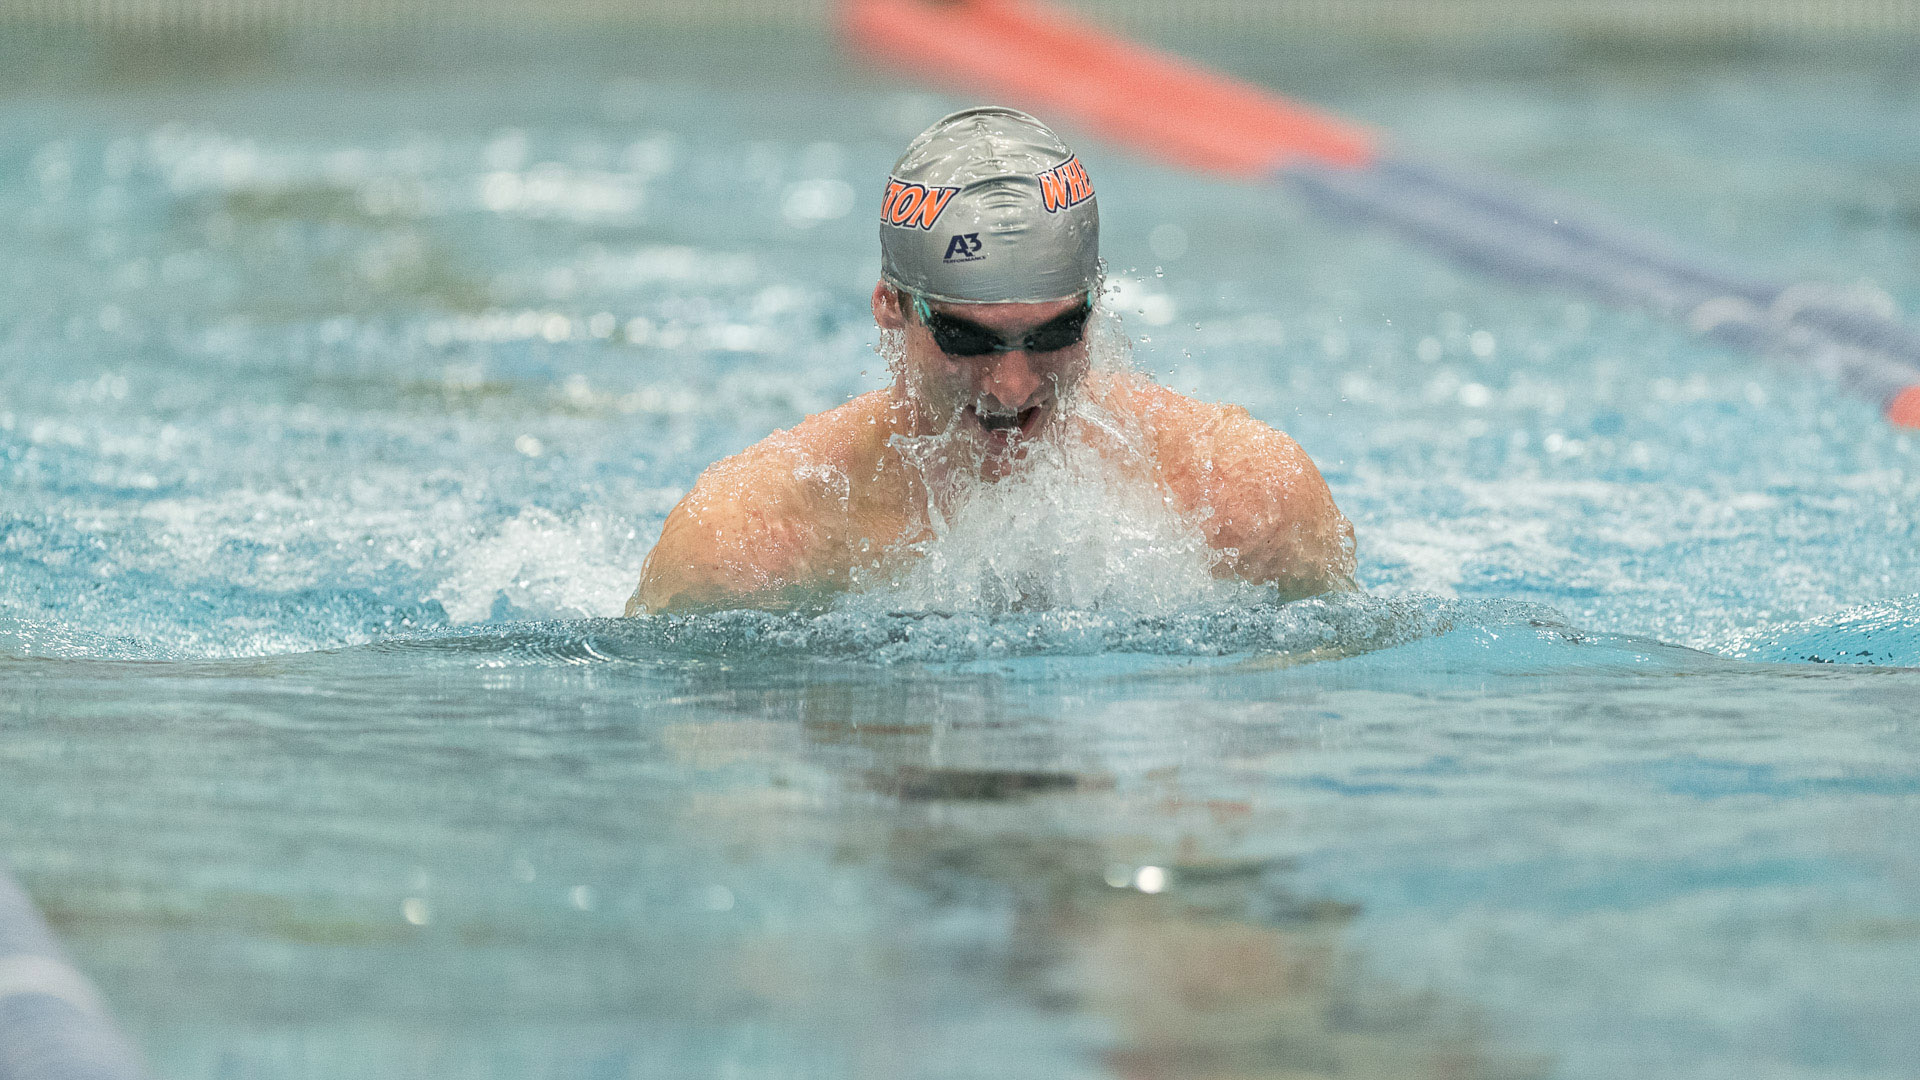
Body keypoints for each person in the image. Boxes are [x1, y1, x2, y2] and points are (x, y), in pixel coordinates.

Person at [628, 106, 1353, 615]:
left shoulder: (1248, 503)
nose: (1013, 385)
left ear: (1096, 304)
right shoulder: (747, 542)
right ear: (890, 308)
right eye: (968, 340)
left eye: (1054, 333)